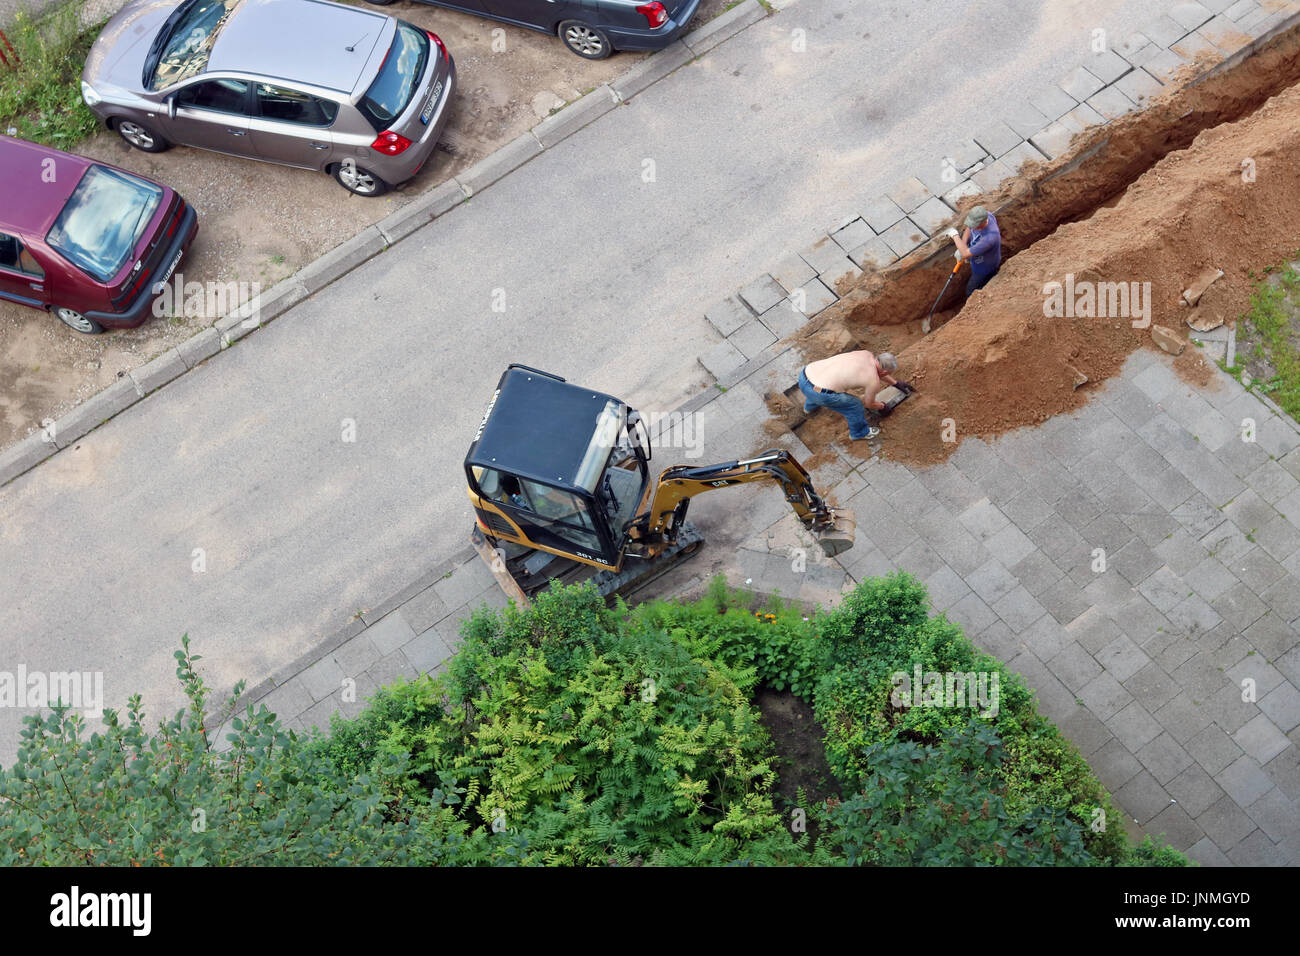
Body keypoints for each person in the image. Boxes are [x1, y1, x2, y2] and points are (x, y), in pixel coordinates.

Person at [797, 349, 907, 441]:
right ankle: (859, 433)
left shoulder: (866, 354)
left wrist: (895, 383)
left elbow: (877, 372)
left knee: (817, 389)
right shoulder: (873, 381)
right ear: (884, 372)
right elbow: (869, 404)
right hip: (820, 394)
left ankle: (808, 408)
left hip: (805, 375)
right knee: (855, 405)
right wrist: (883, 406)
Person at [952, 205, 1001, 296]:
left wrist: (955, 236)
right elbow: (969, 228)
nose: (972, 228)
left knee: (970, 291)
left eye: (975, 226)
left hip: (985, 267)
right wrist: (963, 244)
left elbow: (966, 254)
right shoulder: (986, 216)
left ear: (982, 223)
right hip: (980, 260)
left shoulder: (990, 238)